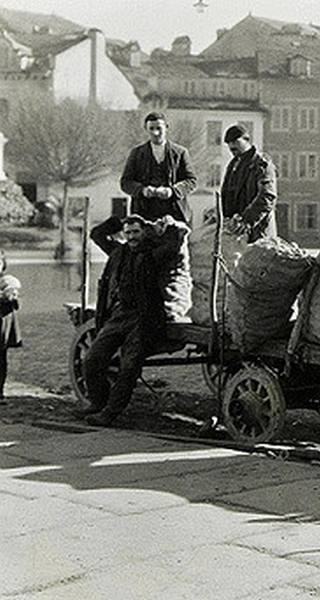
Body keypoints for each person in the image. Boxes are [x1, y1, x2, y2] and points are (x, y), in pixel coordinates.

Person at [73, 214, 188, 426]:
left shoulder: (153, 254)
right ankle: (97, 402)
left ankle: (110, 412)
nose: (132, 237)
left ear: (144, 232)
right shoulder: (119, 252)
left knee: (129, 365)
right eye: (128, 233)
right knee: (93, 358)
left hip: (143, 318)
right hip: (120, 314)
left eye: (136, 232)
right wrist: (117, 221)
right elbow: (97, 235)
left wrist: (166, 224)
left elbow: (173, 244)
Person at [121, 112, 197, 224]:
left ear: (166, 128)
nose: (155, 133)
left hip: (174, 213)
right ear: (146, 129)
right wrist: (142, 190)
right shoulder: (136, 153)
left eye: (159, 128)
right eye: (151, 128)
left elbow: (191, 181)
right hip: (144, 214)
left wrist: (172, 191)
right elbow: (125, 182)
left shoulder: (180, 153)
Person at [220, 123, 277, 241]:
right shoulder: (233, 165)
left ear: (246, 140)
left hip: (258, 232)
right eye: (229, 143)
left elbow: (267, 196)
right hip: (236, 233)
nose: (231, 146)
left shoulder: (261, 164)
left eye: (235, 142)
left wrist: (247, 221)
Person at [0, 251, 22, 403]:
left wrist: (11, 295)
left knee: (1, 358)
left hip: (2, 325)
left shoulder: (7, 281)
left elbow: (15, 302)